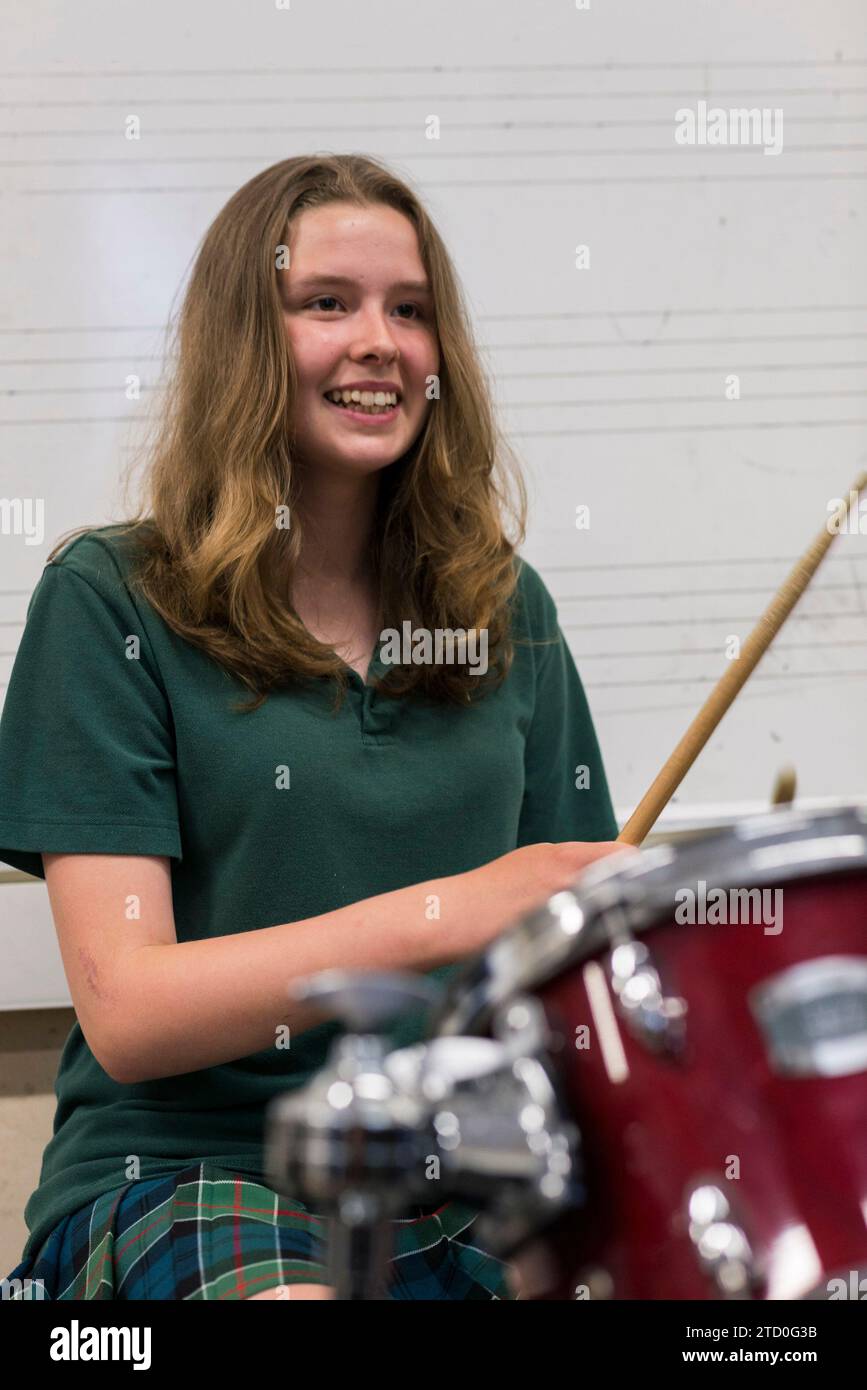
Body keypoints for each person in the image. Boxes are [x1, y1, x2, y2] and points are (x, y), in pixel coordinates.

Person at [0, 153, 627, 1301]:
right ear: (248, 339)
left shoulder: (504, 608)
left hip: (460, 1181)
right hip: (199, 1175)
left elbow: (565, 963)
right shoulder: (109, 600)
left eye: (411, 309)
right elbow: (131, 1011)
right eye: (326, 304)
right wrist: (452, 912)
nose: (379, 340)